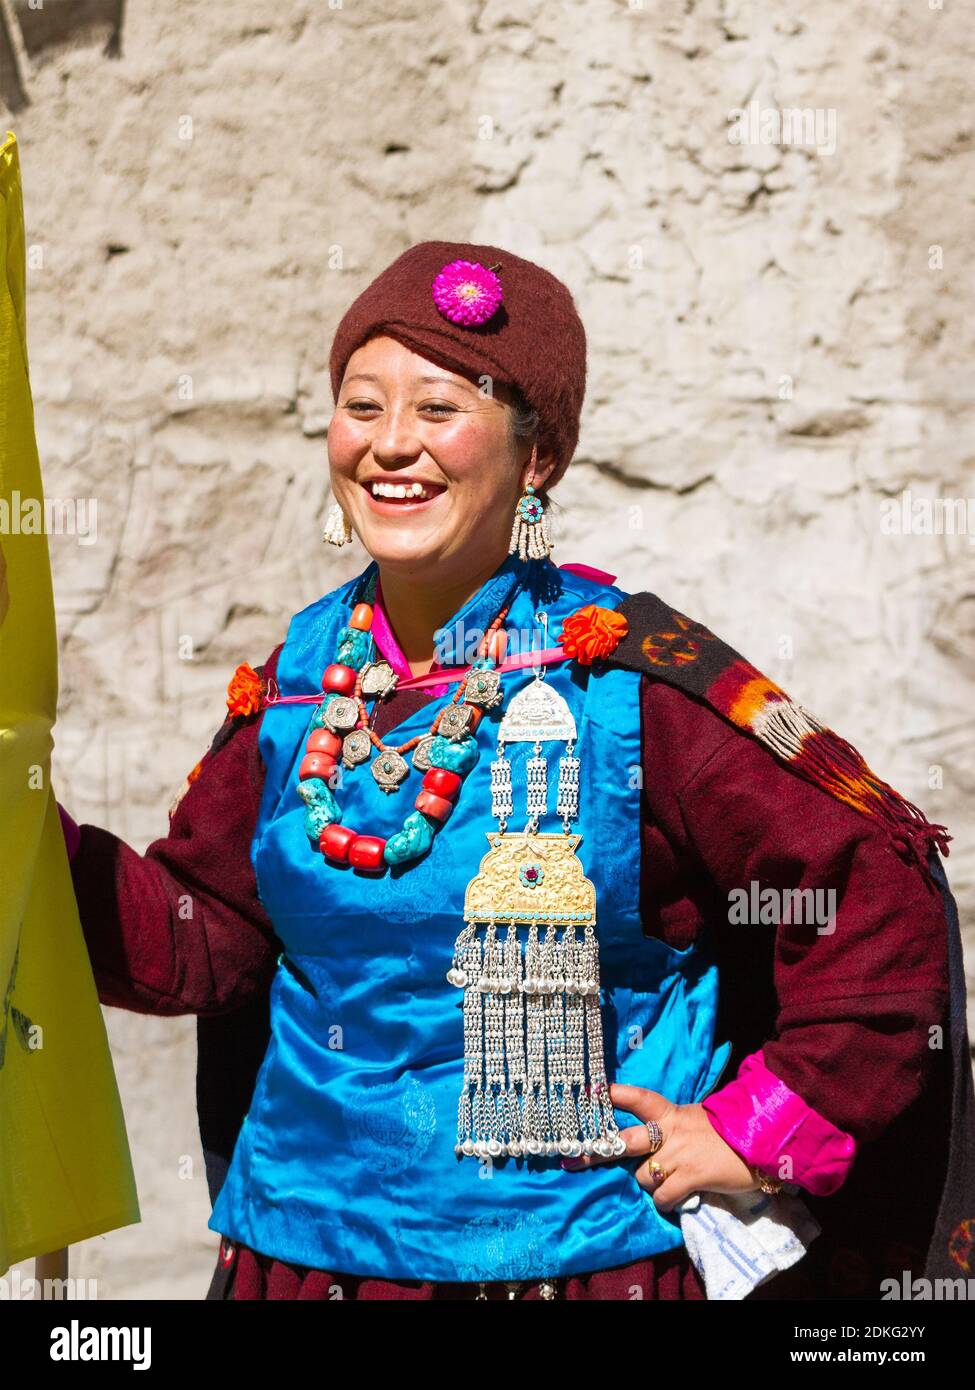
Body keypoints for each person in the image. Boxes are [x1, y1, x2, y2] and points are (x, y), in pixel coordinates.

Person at [58, 242, 970, 1301]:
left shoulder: (626, 674)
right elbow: (203, 935)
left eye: (440, 408)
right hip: (304, 1259)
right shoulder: (299, 685)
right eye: (363, 405)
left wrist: (761, 1125)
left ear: (535, 459)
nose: (391, 444)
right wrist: (31, 833)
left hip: (571, 1259)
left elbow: (874, 878)